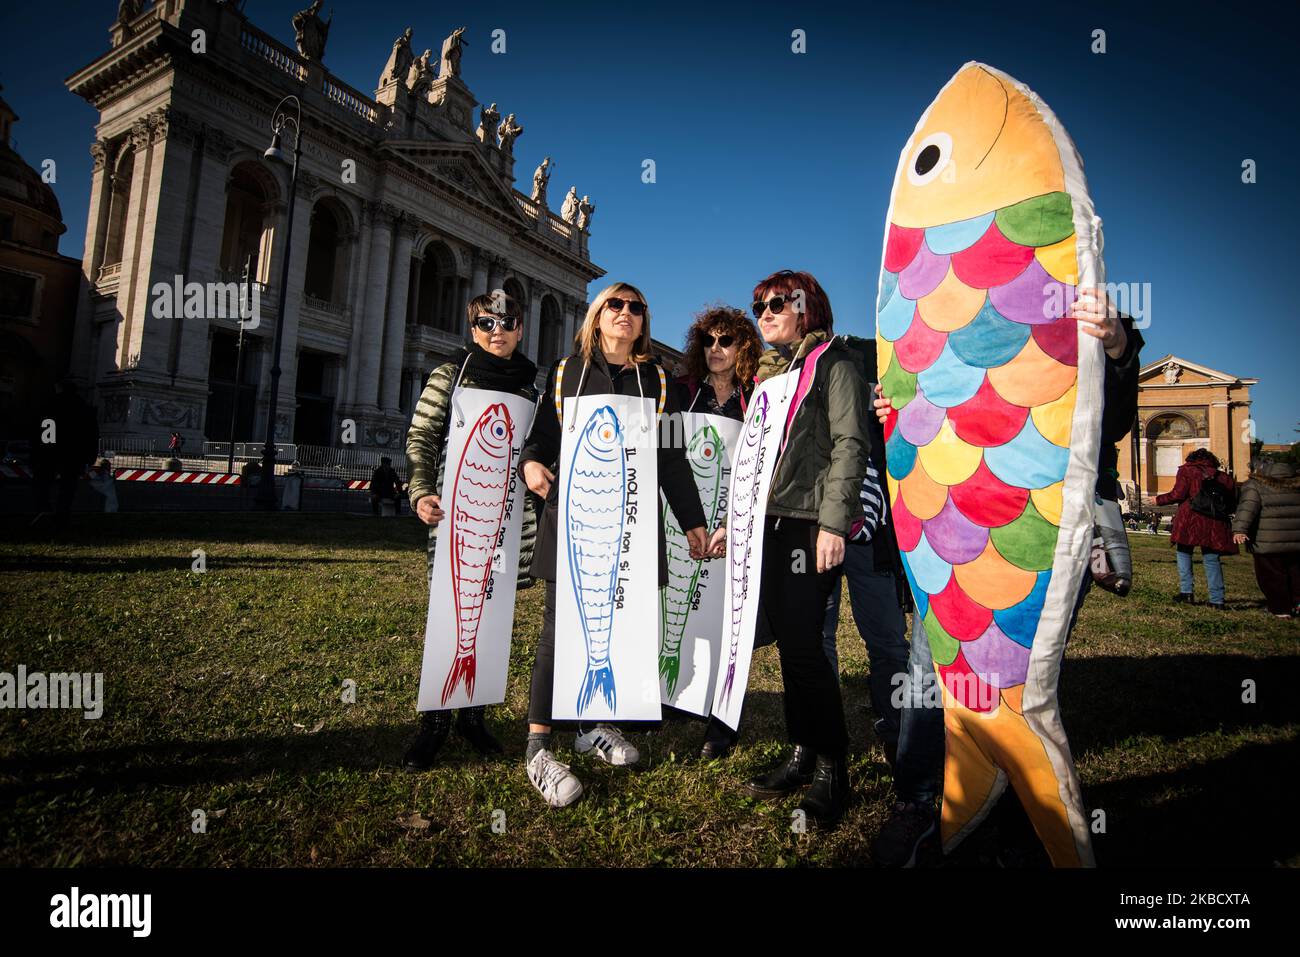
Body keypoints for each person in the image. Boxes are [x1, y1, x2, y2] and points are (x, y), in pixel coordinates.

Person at [869, 289, 1144, 866]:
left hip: (1036, 532)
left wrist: (1115, 346)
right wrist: (896, 409)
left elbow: (1111, 418)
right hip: (951, 530)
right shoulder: (939, 313)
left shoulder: (1072, 296)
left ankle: (1023, 815)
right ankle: (922, 798)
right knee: (929, 666)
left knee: (1025, 673)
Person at [518, 282, 710, 807]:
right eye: (615, 306)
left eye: (636, 308)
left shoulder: (658, 381)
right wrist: (531, 463)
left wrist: (692, 519)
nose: (626, 314)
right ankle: (538, 745)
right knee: (559, 629)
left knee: (623, 629)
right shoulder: (564, 373)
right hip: (577, 524)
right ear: (596, 317)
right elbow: (539, 439)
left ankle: (593, 725)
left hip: (634, 527)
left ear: (644, 320)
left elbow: (671, 459)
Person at [705, 269, 871, 828]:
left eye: (779, 302)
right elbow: (754, 459)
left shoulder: (836, 363)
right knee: (789, 647)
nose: (766, 312)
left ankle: (833, 767)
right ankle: (801, 753)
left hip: (808, 525)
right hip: (767, 525)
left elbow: (851, 443)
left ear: (809, 308)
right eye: (759, 305)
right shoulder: (772, 378)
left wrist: (833, 523)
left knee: (804, 648)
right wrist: (734, 520)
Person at [402, 293, 540, 767]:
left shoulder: (531, 388)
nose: (495, 330)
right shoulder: (451, 375)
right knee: (450, 613)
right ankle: (435, 722)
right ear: (473, 328)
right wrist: (421, 490)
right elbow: (421, 435)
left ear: (520, 328)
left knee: (493, 618)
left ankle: (473, 716)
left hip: (506, 522)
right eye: (485, 322)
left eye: (506, 322)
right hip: (456, 520)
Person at [669, 305, 763, 760]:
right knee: (678, 614)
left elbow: (765, 465)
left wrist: (732, 522)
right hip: (681, 524)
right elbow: (665, 453)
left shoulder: (757, 397)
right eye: (708, 341)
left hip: (736, 527)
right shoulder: (680, 393)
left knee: (729, 623)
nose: (715, 349)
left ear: (743, 346)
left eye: (725, 341)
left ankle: (722, 719)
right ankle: (675, 696)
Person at [1155, 448, 1238, 609]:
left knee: (1184, 552)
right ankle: (1217, 600)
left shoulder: (1187, 471)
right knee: (1212, 558)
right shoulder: (1223, 477)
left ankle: (1187, 592)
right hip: (1214, 522)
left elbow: (1178, 494)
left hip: (1190, 519)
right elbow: (1232, 502)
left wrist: (1158, 500)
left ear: (1191, 459)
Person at [1232, 459, 1300, 619]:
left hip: (1267, 540)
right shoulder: (1296, 485)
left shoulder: (1256, 485)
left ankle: (1280, 608)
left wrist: (1239, 529)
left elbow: (1248, 507)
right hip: (1296, 541)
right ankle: (1297, 603)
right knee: (1296, 573)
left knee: (1271, 575)